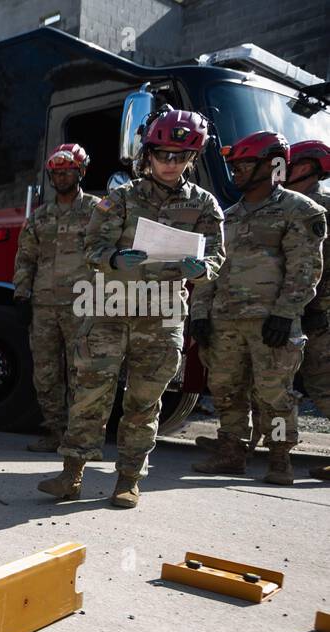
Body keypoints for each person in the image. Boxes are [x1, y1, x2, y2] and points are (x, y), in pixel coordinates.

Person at [38, 106, 224, 508]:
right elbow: (92, 247)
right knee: (91, 392)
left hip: (161, 314)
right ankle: (72, 474)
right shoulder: (120, 198)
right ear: (148, 153)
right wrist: (113, 259)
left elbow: (217, 256)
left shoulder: (205, 205)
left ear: (192, 158)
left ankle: (128, 479)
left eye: (181, 157)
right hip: (109, 308)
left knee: (144, 400)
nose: (171, 164)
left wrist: (203, 269)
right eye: (163, 155)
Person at [190, 131, 325, 485]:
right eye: (234, 166)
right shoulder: (226, 217)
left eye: (245, 164)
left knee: (275, 395)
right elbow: (210, 269)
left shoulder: (300, 210)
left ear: (271, 165)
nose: (236, 172)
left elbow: (306, 267)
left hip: (272, 323)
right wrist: (200, 314)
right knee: (226, 390)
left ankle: (280, 460)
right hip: (225, 322)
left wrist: (285, 312)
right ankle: (231, 453)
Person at [12, 143, 100, 452]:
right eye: (57, 172)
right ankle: (54, 431)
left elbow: (108, 255)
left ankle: (79, 436)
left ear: (81, 172)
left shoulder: (96, 211)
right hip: (43, 307)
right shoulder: (40, 217)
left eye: (68, 171)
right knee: (45, 372)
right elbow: (25, 259)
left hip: (83, 305)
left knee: (82, 371)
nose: (62, 177)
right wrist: (21, 295)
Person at [286, 139, 330, 480]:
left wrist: (316, 307)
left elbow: (318, 264)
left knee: (322, 381)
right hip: (312, 307)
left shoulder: (314, 205)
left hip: (319, 311)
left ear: (304, 167)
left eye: (290, 162)